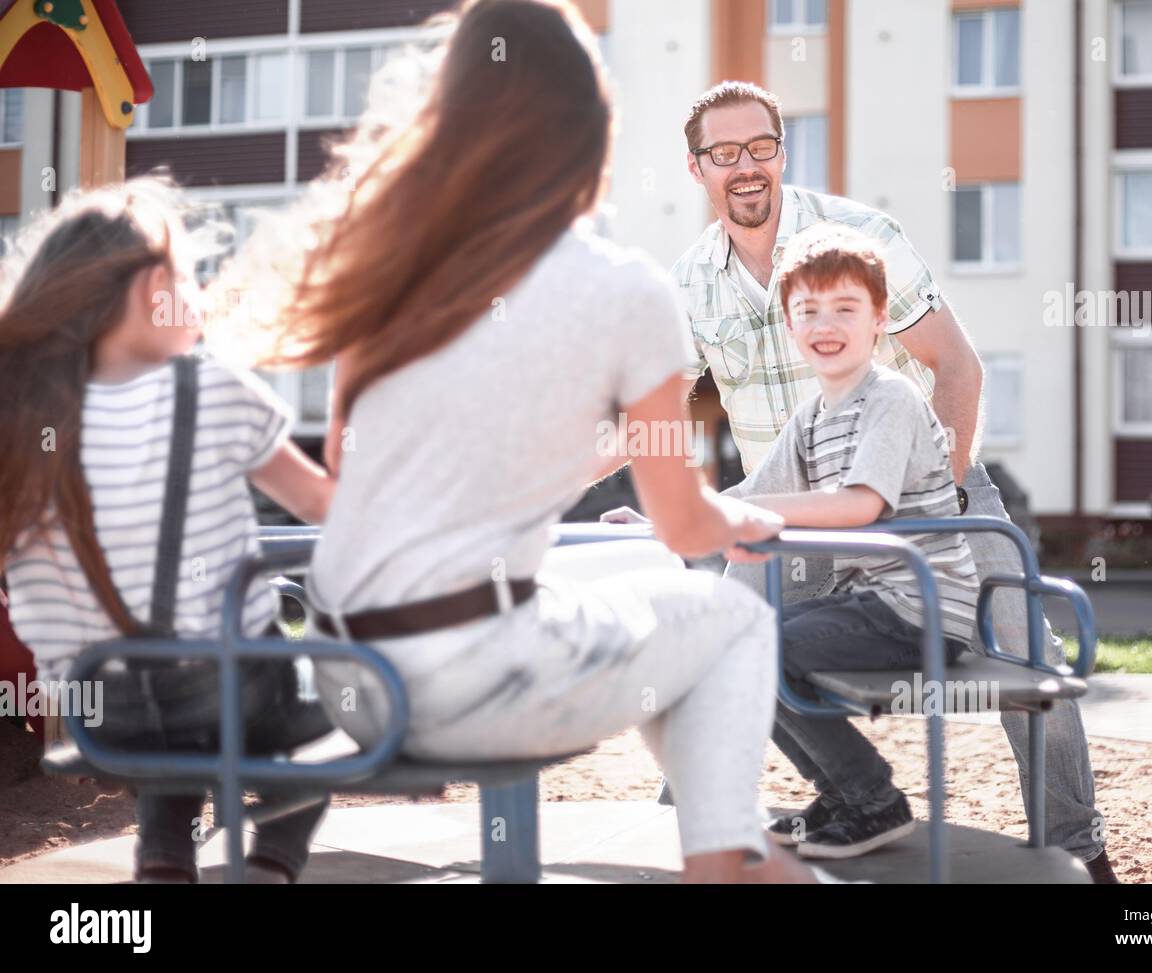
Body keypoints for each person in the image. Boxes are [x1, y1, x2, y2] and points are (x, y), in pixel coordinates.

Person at [233, 0, 817, 884]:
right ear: (592, 126)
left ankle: (748, 855)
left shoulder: (389, 265)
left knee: (652, 586)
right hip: (467, 687)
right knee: (730, 616)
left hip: (348, 671)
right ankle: (728, 861)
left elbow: (351, 475)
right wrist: (753, 517)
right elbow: (688, 524)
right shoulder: (627, 288)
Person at [672, 80, 1117, 882]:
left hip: (926, 494)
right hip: (797, 513)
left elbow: (957, 364)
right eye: (724, 153)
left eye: (761, 147)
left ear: (782, 150)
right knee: (718, 652)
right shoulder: (693, 282)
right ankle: (809, 809)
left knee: (1024, 659)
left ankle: (1079, 849)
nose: (746, 167)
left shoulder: (857, 240)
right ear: (697, 165)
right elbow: (655, 412)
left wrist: (927, 508)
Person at [0, 177, 337, 884]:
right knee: (315, 721)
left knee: (170, 702)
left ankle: (164, 864)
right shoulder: (208, 387)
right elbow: (322, 505)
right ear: (155, 284)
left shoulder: (18, 416)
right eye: (190, 275)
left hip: (101, 710)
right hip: (228, 690)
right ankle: (272, 863)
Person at [724, 225, 978, 859]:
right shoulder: (812, 416)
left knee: (760, 644)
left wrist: (747, 516)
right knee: (737, 641)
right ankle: (842, 793)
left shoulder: (889, 399)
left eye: (845, 307)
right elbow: (749, 491)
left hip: (924, 607)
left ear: (878, 321)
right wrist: (663, 520)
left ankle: (873, 800)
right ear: (789, 324)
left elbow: (860, 506)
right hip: (877, 603)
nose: (825, 323)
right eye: (807, 310)